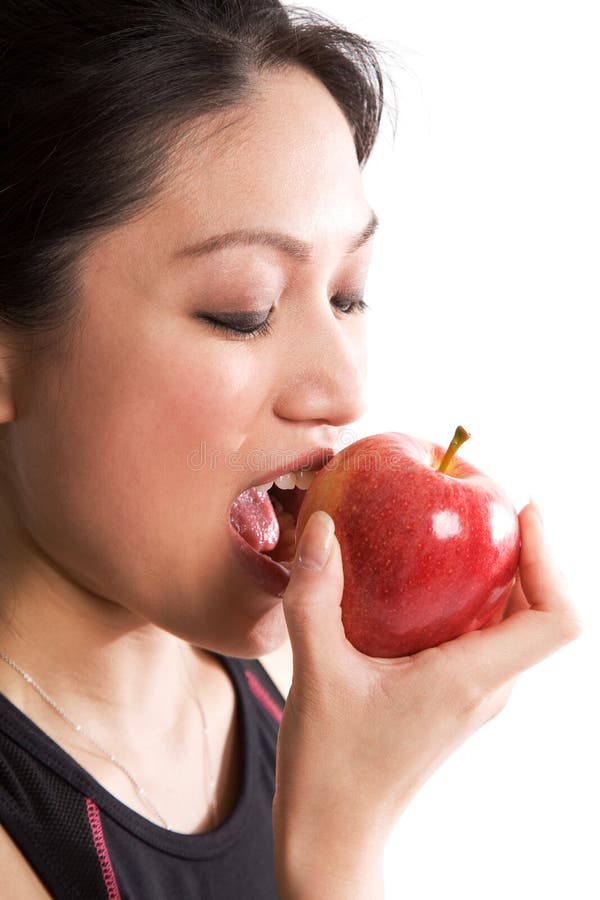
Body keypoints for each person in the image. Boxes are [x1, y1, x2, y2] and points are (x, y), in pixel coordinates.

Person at [0, 1, 581, 897]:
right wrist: (338, 846)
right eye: (245, 311)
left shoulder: (297, 683)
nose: (344, 390)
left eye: (348, 296)